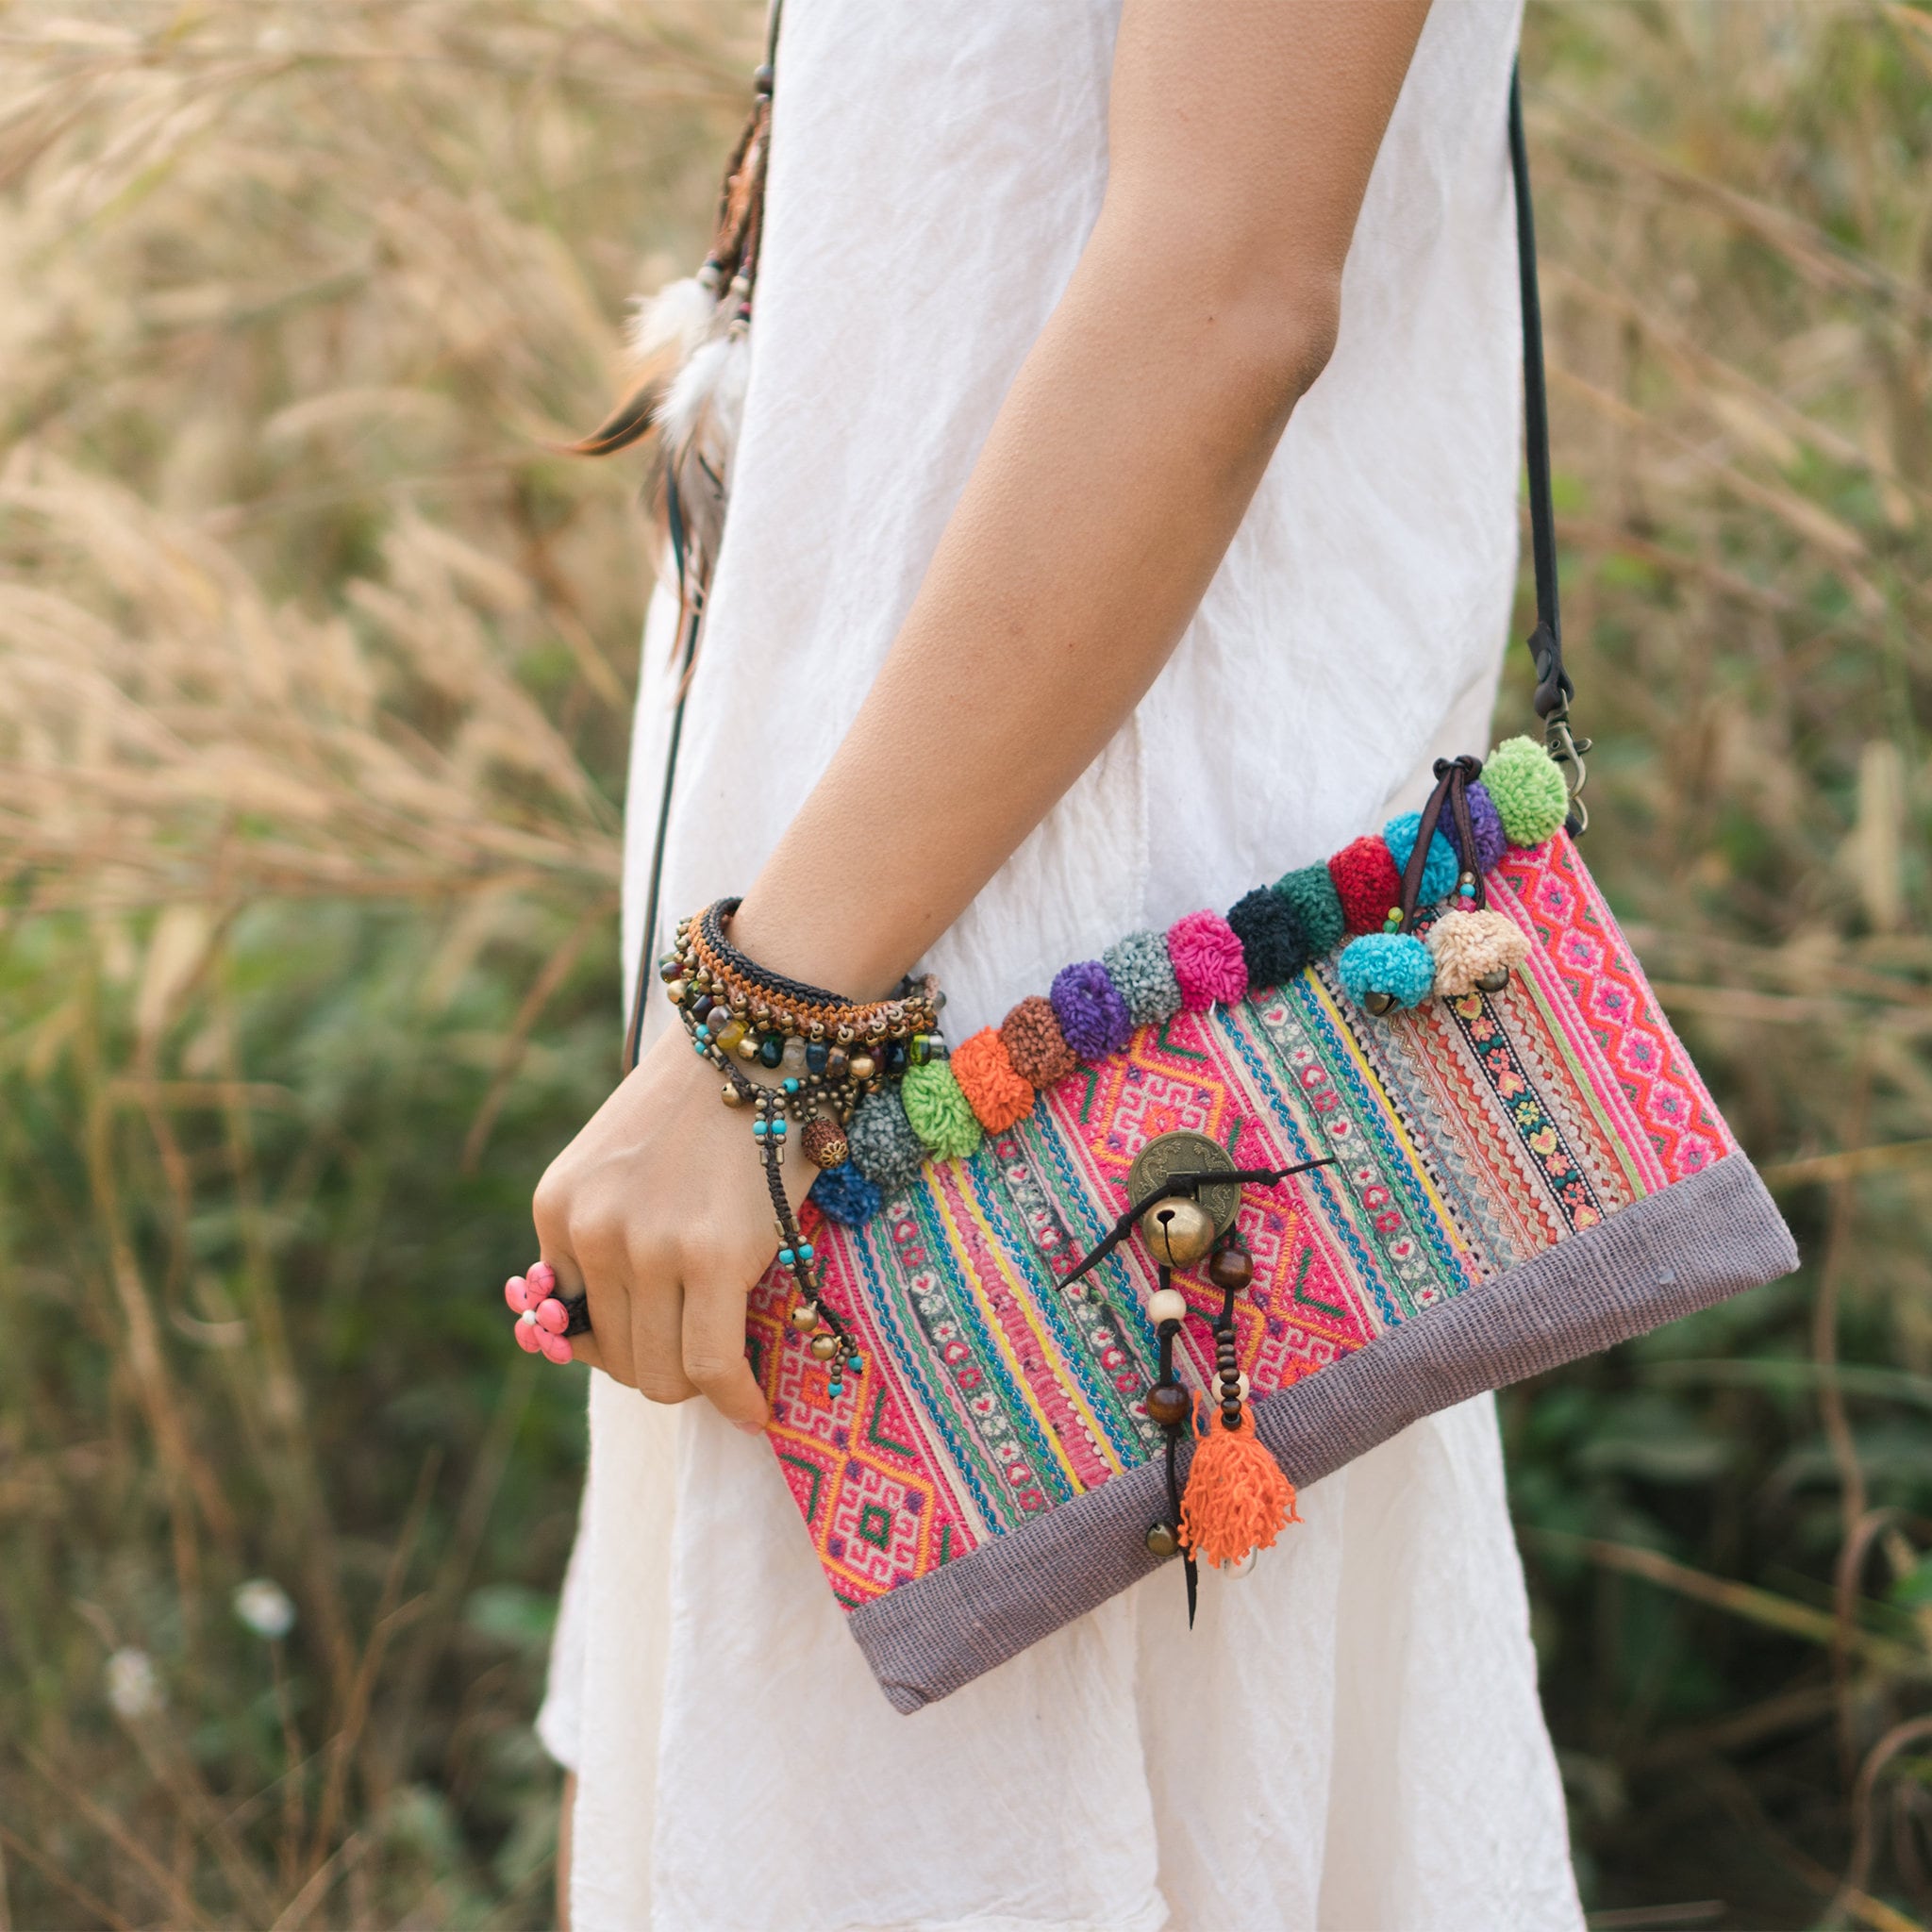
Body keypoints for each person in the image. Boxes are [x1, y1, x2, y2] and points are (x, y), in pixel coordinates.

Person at [530, 1, 1586, 1924]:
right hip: (887, 948)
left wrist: (764, 1035)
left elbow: (1223, 287)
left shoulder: (815, 1035)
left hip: (1036, 1055)